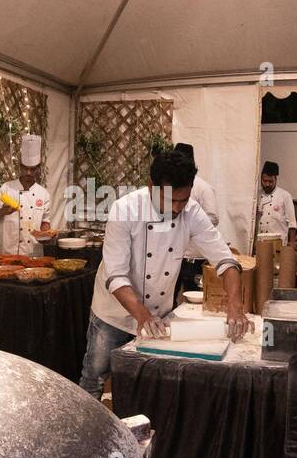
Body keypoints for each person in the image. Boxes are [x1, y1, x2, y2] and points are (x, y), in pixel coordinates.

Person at [80, 149, 249, 400]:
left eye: (183, 200)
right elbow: (116, 275)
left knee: (148, 384)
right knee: (94, 379)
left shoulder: (192, 212)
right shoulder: (124, 209)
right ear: (151, 185)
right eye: (171, 201)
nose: (178, 208)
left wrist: (235, 306)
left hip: (158, 314)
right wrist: (142, 316)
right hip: (113, 315)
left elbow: (225, 260)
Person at [0, 134, 51, 255]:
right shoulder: (7, 188)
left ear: (38, 168)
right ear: (20, 167)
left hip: (34, 255)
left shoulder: (43, 194)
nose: (28, 173)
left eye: (32, 169)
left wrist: (46, 234)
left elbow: (45, 222)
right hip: (9, 254)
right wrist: (3, 211)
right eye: (25, 168)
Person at [173, 142, 220, 295]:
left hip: (193, 258)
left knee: (194, 300)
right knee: (168, 299)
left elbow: (213, 218)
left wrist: (189, 222)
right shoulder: (168, 187)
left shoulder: (203, 187)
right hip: (172, 255)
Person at [257, 160, 297, 247]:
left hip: (279, 243)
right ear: (261, 179)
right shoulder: (257, 195)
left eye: (270, 181)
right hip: (260, 242)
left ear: (276, 179)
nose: (267, 184)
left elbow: (292, 223)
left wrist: (292, 242)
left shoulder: (285, 196)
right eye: (265, 181)